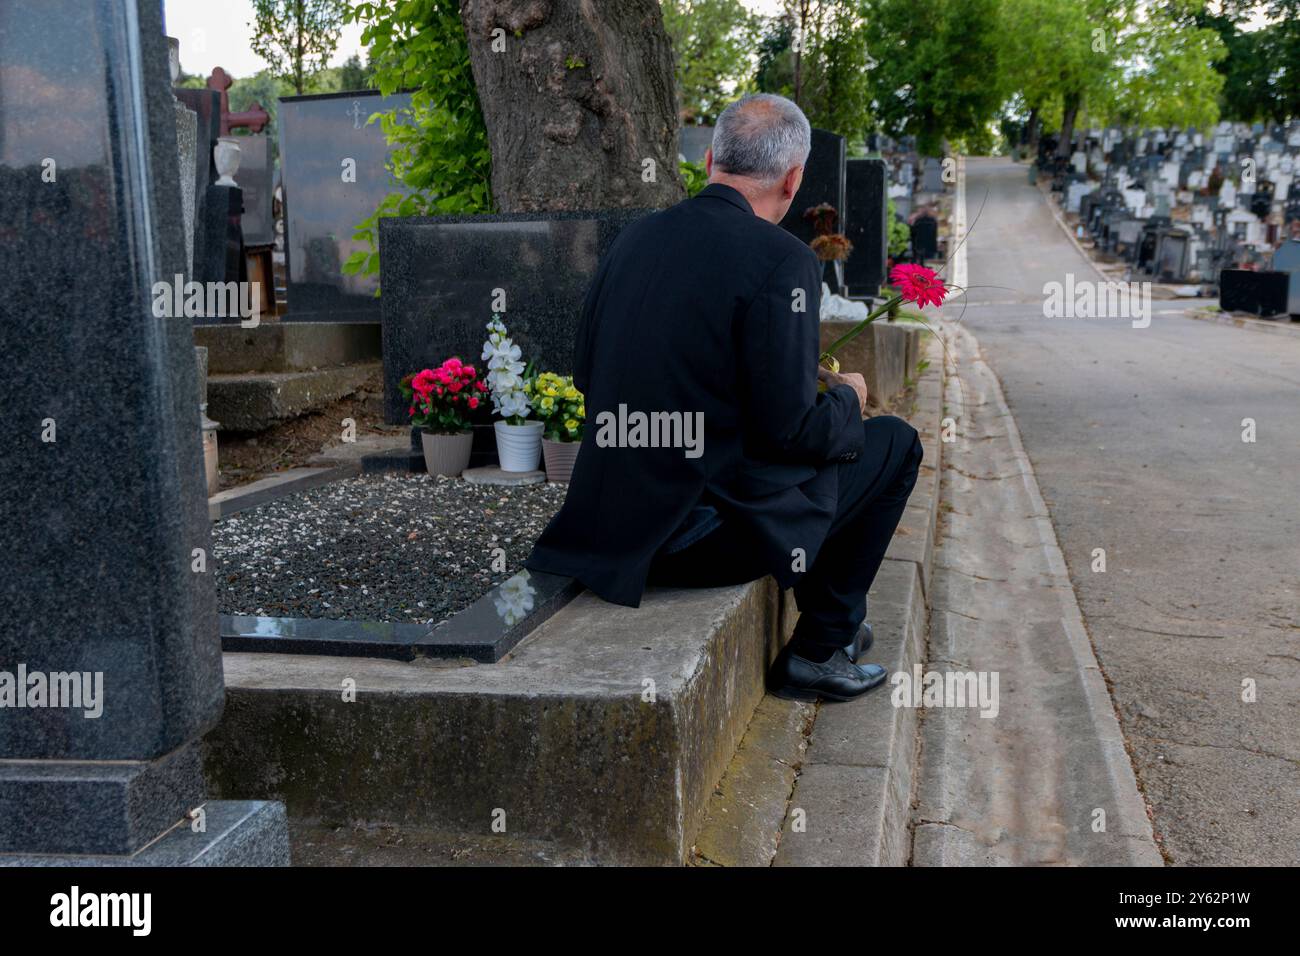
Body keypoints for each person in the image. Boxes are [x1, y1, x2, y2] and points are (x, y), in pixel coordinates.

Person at [526, 93, 923, 701]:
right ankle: (819, 648)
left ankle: (839, 619)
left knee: (815, 458)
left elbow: (586, 374)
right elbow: (788, 432)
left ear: (711, 158)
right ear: (794, 180)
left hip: (609, 528)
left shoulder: (635, 238)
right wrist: (848, 397)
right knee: (894, 443)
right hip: (693, 539)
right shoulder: (784, 259)